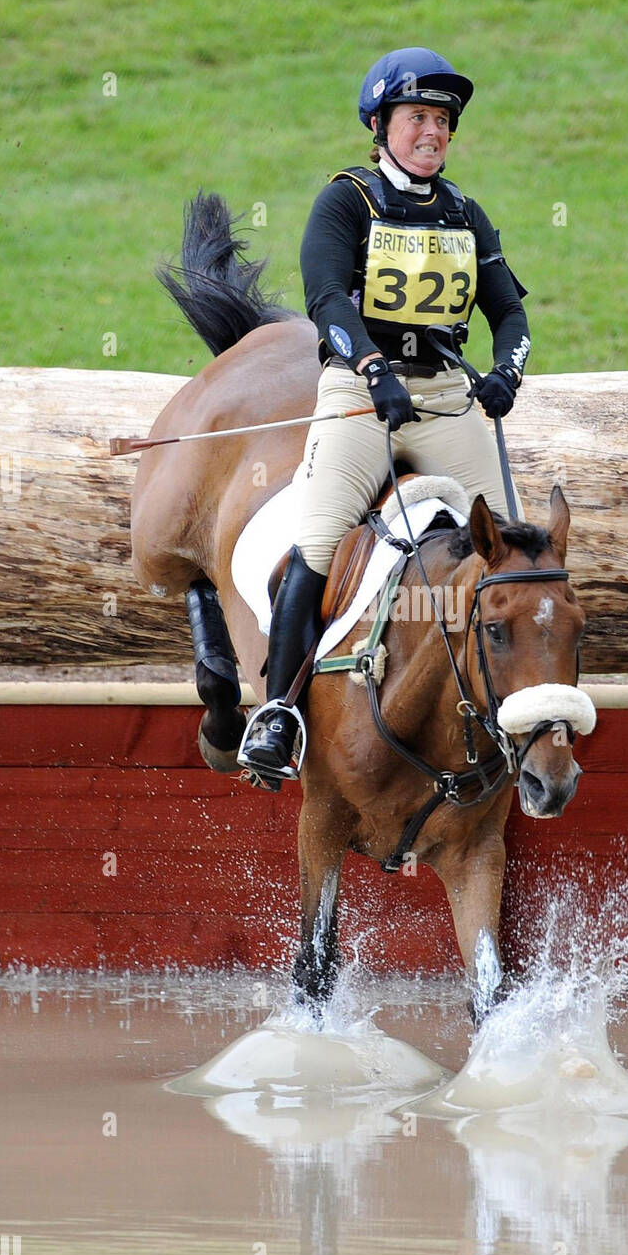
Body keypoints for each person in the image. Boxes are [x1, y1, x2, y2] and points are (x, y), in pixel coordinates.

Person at [239, 46, 531, 787]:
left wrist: (507, 372)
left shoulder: (464, 212)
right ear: (381, 125)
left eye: (442, 121)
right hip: (360, 395)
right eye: (417, 118)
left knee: (514, 550)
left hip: (442, 397)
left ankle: (525, 712)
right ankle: (278, 713)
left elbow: (509, 312)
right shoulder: (346, 202)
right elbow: (326, 300)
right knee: (319, 539)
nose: (433, 132)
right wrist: (372, 367)